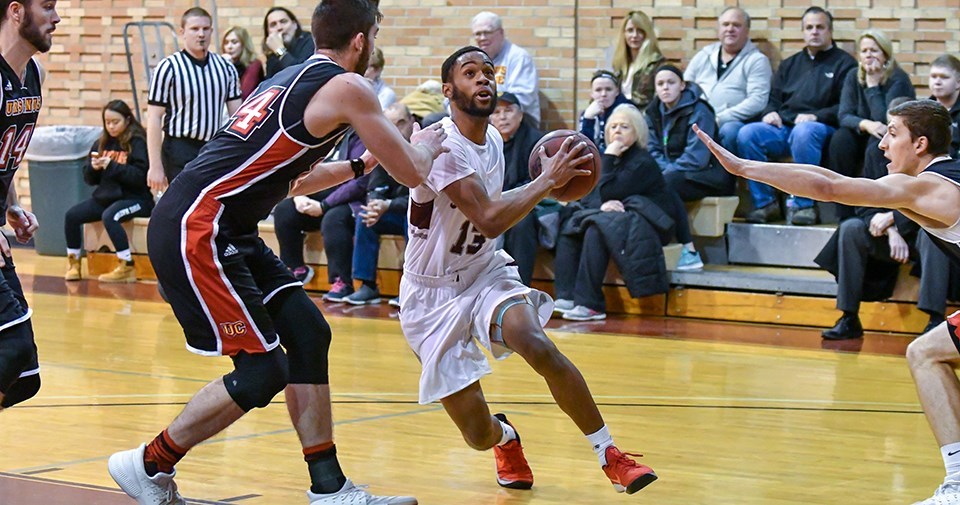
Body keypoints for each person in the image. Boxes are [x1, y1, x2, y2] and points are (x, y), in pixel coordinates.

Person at [106, 1, 448, 504]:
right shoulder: (351, 87)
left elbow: (289, 180)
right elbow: (414, 170)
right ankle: (148, 463)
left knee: (309, 334)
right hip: (199, 226)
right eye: (375, 32)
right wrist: (433, 141)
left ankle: (329, 489)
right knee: (263, 370)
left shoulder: (289, 79)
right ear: (361, 40)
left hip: (225, 224)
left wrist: (359, 168)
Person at [396, 46, 657, 497]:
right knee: (477, 434)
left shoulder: (493, 139)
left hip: (482, 272)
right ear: (447, 90)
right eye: (470, 73)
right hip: (430, 296)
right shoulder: (439, 147)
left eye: (487, 72)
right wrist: (546, 183)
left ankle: (610, 454)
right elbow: (491, 217)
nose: (483, 80)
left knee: (535, 341)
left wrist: (546, 188)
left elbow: (495, 211)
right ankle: (506, 438)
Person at [693, 100, 960, 505]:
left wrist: (745, 168)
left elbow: (830, 188)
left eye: (892, 133)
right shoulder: (945, 177)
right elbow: (829, 175)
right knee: (926, 352)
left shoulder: (925, 186)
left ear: (920, 143)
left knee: (925, 355)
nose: (884, 144)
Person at [555, 103, 701, 321]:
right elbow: (592, 195)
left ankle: (590, 304)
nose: (617, 131)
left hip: (649, 223)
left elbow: (610, 190)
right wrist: (601, 205)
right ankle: (566, 296)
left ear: (637, 132)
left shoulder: (642, 161)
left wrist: (609, 157)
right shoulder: (611, 160)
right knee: (573, 222)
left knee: (596, 228)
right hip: (618, 218)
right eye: (613, 127)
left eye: (624, 127)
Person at [735, 6, 856, 225]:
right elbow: (773, 97)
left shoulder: (845, 64)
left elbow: (845, 106)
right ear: (802, 31)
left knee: (804, 132)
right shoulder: (790, 64)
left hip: (821, 129)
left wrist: (815, 116)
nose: (814, 32)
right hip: (785, 127)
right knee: (747, 133)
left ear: (830, 31)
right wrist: (769, 112)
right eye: (809, 27)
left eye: (820, 27)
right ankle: (765, 204)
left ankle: (805, 205)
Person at [0, 0, 59, 413]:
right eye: (48, 6)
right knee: (12, 347)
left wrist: (13, 204)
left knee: (24, 379)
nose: (56, 17)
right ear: (17, 11)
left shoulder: (32, 75)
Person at [146, 8, 241, 192]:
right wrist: (155, 165)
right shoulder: (168, 67)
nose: (201, 34)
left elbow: (237, 116)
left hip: (213, 148)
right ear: (182, 32)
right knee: (181, 208)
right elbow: (154, 118)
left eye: (206, 29)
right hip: (179, 148)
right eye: (195, 29)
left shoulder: (226, 68)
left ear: (212, 32)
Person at [64, 100, 153, 283]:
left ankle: (126, 264)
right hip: (106, 197)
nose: (111, 126)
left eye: (115, 122)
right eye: (107, 122)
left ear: (127, 120)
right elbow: (89, 180)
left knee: (110, 216)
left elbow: (139, 177)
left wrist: (112, 166)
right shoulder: (101, 143)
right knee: (72, 216)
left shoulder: (137, 142)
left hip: (136, 199)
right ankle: (74, 263)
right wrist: (93, 168)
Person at [342, 103, 413, 305]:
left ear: (412, 122)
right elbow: (374, 187)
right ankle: (367, 286)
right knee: (366, 217)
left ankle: (409, 289)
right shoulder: (383, 150)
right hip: (394, 210)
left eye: (401, 123)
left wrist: (388, 205)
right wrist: (375, 205)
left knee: (413, 223)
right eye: (391, 125)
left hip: (421, 216)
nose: (397, 130)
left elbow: (423, 198)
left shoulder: (424, 149)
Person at [827, 30, 914, 197]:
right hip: (862, 130)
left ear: (885, 55)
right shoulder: (853, 75)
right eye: (864, 51)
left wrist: (873, 87)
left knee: (877, 145)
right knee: (840, 140)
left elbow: (886, 120)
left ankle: (873, 204)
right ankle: (842, 207)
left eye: (874, 51)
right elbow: (844, 115)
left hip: (887, 133)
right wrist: (866, 124)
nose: (869, 55)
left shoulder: (898, 78)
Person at [683, 7, 771, 155]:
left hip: (734, 122)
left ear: (747, 30)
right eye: (725, 24)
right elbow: (685, 87)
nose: (730, 29)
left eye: (736, 25)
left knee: (729, 131)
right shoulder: (704, 55)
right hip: (698, 117)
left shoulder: (757, 60)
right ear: (718, 29)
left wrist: (721, 118)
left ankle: (727, 177)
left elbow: (758, 100)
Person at [646, 64, 734, 202]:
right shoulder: (652, 112)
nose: (665, 87)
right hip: (671, 173)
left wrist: (666, 172)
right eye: (660, 84)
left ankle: (673, 224)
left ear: (682, 86)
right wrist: (663, 170)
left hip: (705, 176)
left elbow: (697, 158)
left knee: (667, 183)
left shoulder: (699, 111)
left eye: (671, 82)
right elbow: (651, 149)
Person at [490, 92, 544, 286]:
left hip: (531, 205)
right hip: (495, 204)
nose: (502, 117)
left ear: (520, 115)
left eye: (508, 111)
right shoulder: (486, 143)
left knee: (521, 223)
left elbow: (538, 183)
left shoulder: (537, 142)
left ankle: (519, 287)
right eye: (496, 112)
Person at [471, 11, 540, 126]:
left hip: (517, 122)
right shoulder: (472, 59)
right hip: (482, 117)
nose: (482, 38)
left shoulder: (518, 57)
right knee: (434, 121)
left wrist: (489, 113)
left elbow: (522, 99)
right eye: (478, 34)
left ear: (501, 33)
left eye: (487, 32)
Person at [609, 10, 664, 109]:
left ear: (647, 34)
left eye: (640, 31)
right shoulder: (619, 64)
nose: (634, 35)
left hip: (644, 119)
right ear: (624, 34)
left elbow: (659, 101)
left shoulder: (656, 63)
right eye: (630, 30)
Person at [578, 70, 632, 153]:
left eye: (608, 89)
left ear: (617, 92)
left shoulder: (628, 111)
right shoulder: (588, 114)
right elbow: (583, 149)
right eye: (598, 90)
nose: (603, 94)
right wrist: (588, 119)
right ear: (591, 94)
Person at [263, 6, 315, 78]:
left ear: (294, 25)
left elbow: (301, 74)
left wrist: (280, 50)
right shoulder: (273, 54)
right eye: (273, 25)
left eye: (283, 22)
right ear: (268, 32)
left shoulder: (309, 41)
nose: (279, 27)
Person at [929, 54, 960, 157]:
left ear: (958, 83)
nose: (937, 82)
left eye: (944, 77)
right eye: (933, 77)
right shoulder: (922, 111)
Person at [222, 26, 264, 100]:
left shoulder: (254, 65)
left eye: (234, 42)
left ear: (243, 44)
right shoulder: (222, 64)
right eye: (226, 43)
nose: (229, 46)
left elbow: (245, 94)